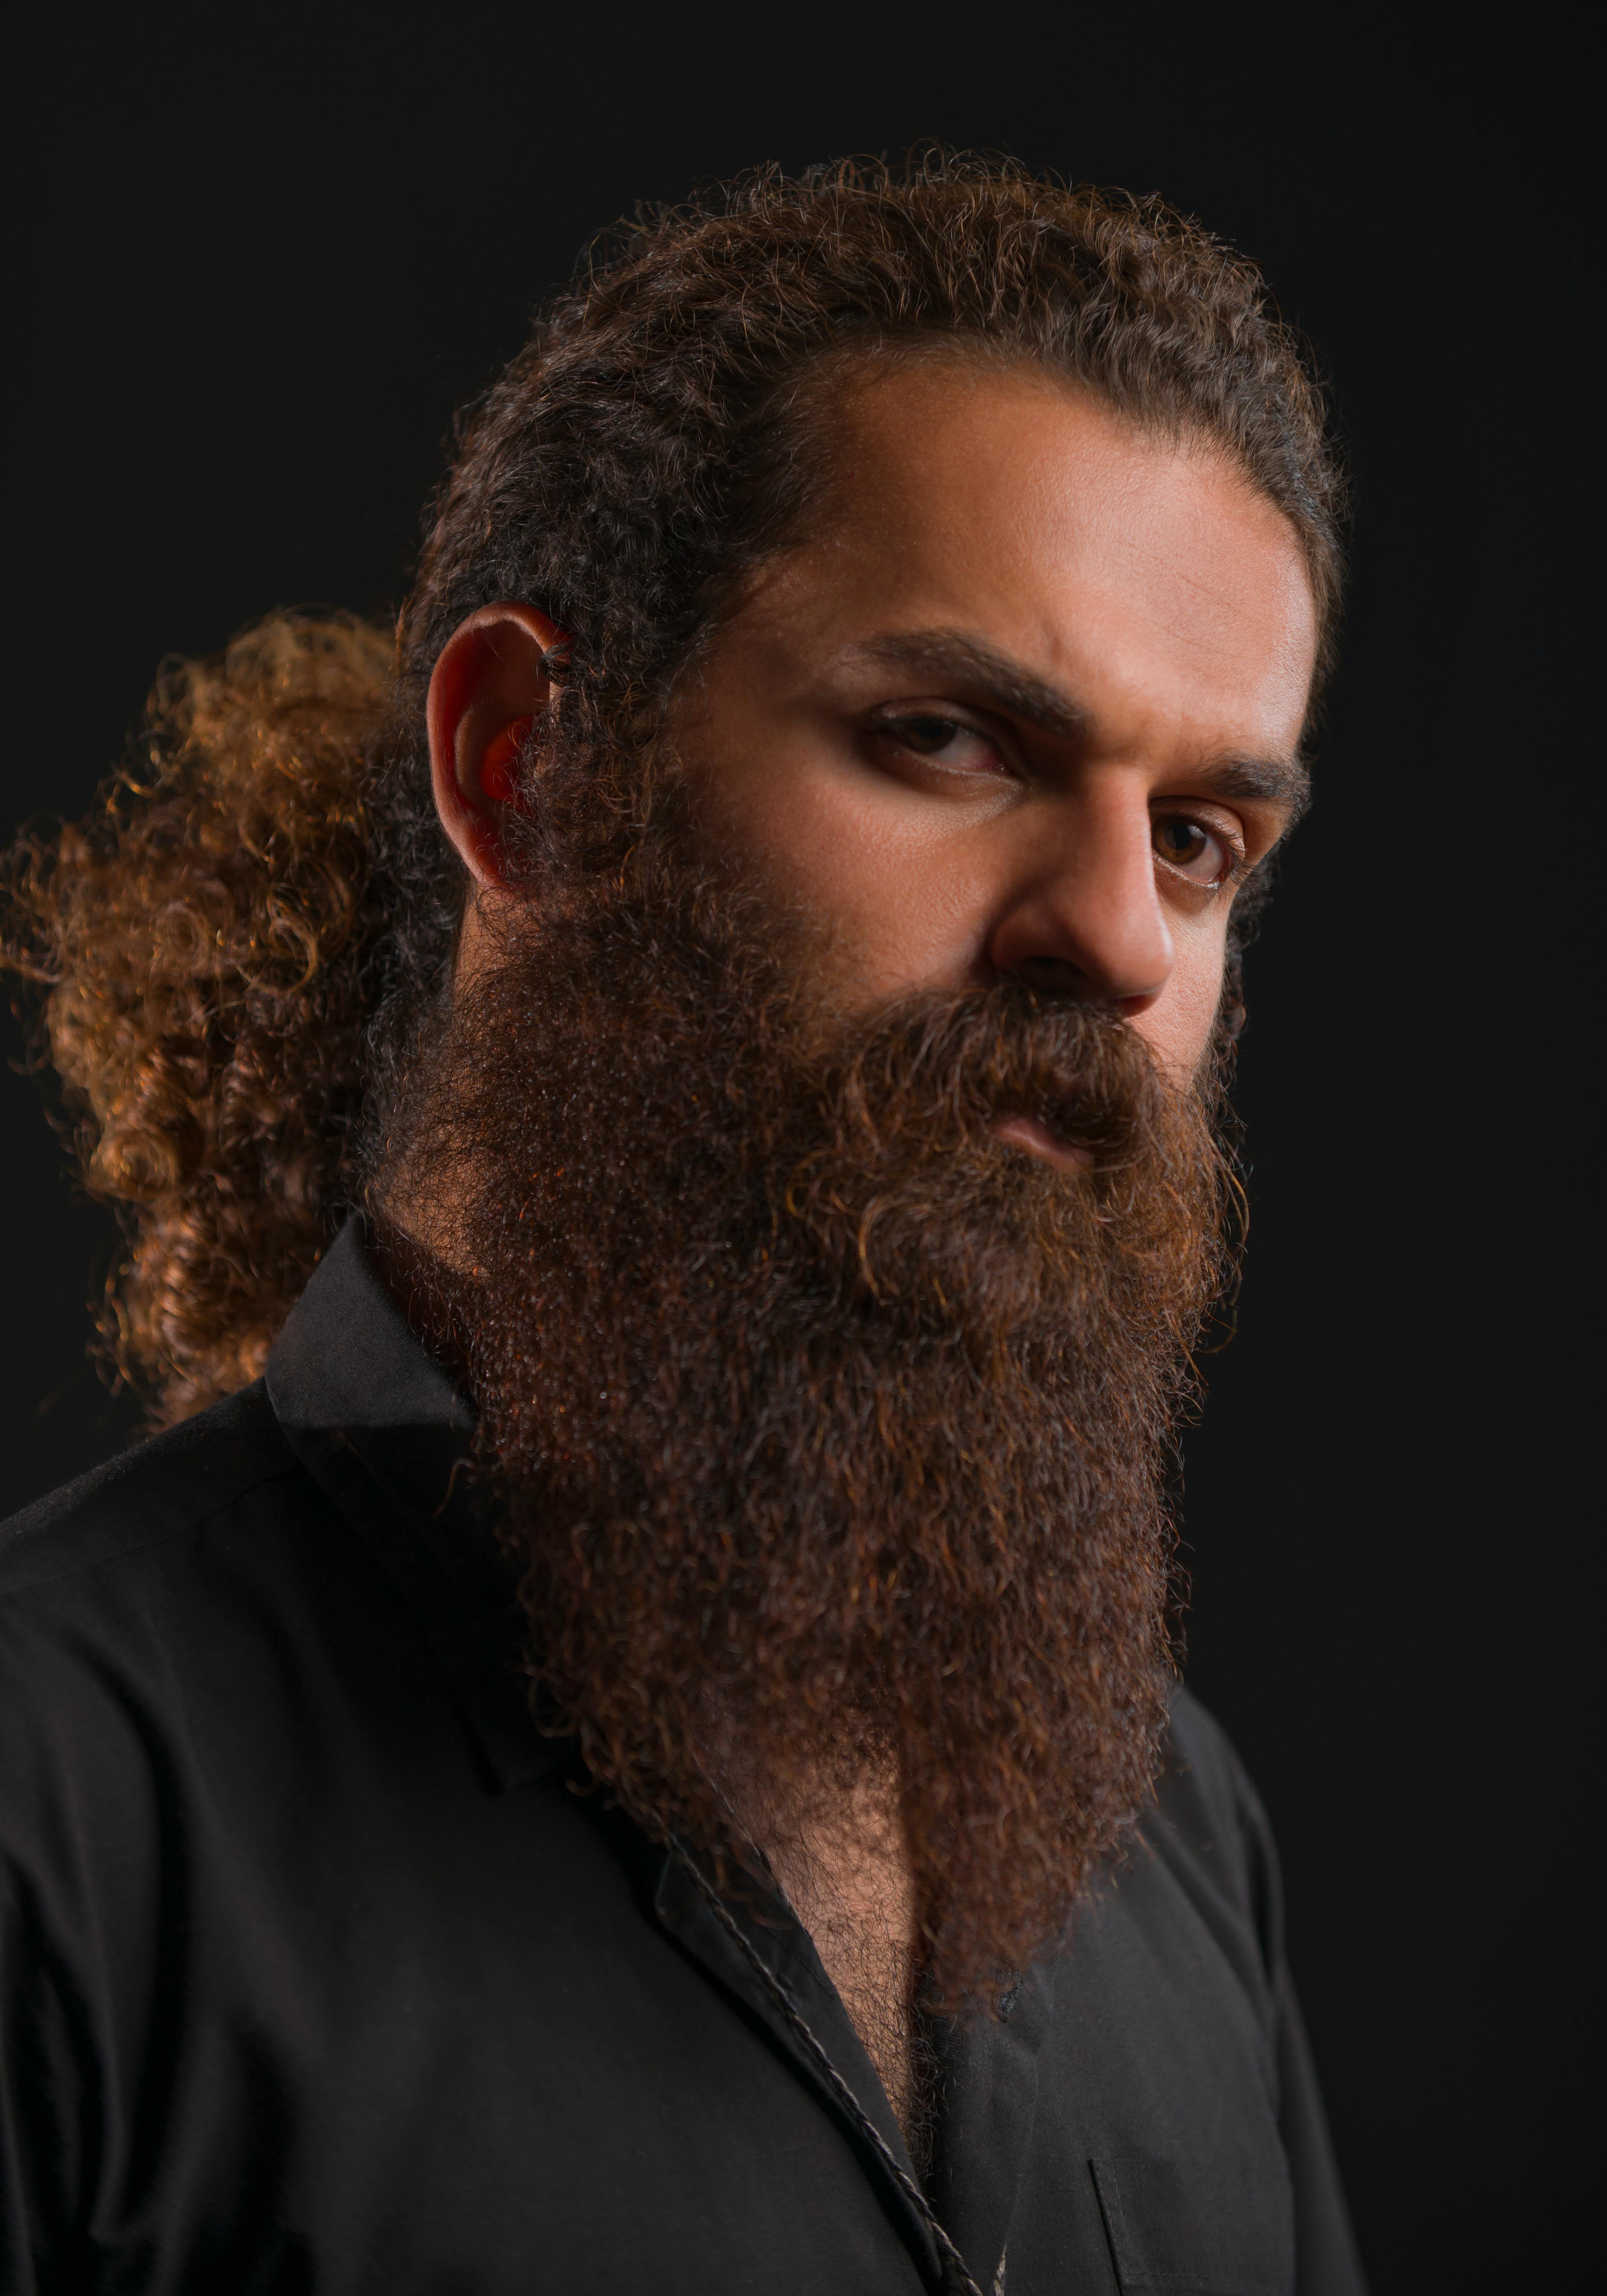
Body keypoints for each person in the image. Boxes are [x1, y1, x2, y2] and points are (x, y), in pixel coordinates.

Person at [0, 159, 1367, 2293]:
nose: (1119, 936)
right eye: (946, 739)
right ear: (525, 768)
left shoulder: (1176, 1834)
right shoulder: (53, 1809)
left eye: (1199, 838)